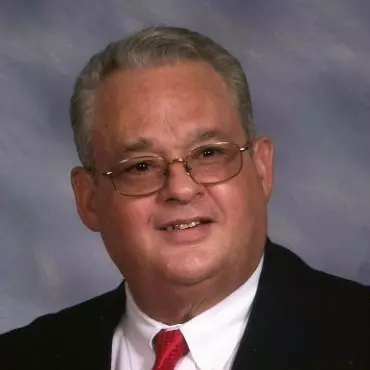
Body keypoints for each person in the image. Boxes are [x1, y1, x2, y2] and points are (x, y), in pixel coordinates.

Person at [0, 26, 369, 370]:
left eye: (208, 153)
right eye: (141, 166)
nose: (180, 188)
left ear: (261, 169)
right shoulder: (21, 357)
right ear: (89, 199)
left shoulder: (356, 338)